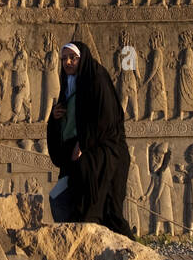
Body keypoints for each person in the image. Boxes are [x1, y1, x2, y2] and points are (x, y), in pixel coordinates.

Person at [46, 41, 134, 238]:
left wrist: (84, 143)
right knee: (63, 202)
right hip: (80, 160)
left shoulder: (96, 79)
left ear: (82, 58)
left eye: (72, 58)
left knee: (105, 213)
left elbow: (106, 118)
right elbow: (68, 124)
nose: (67, 62)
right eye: (64, 59)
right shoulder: (70, 85)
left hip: (103, 158)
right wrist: (55, 118)